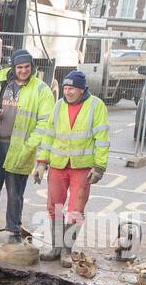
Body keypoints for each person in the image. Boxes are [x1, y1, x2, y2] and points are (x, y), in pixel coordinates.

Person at [0, 49, 55, 247]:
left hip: (20, 150)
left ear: (32, 67)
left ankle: (14, 231)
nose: (23, 71)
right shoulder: (0, 85)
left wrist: (29, 146)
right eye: (20, 67)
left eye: (27, 67)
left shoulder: (41, 90)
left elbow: (45, 124)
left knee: (15, 194)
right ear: (13, 68)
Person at [33, 70, 110, 265]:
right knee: (54, 207)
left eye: (72, 89)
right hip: (58, 165)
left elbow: (102, 139)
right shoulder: (59, 106)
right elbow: (49, 135)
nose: (67, 92)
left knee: (75, 210)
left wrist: (99, 167)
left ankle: (67, 250)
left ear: (82, 89)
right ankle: (56, 248)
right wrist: (42, 163)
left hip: (81, 167)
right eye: (66, 88)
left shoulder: (96, 106)